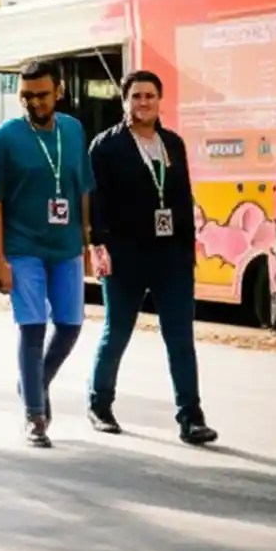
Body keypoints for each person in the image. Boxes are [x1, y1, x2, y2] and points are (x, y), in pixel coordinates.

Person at [86, 70, 218, 445]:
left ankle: (191, 417)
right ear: (124, 101)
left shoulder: (172, 144)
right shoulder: (106, 146)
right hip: (125, 255)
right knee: (118, 331)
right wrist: (99, 246)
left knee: (180, 337)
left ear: (160, 101)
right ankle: (100, 404)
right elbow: (98, 203)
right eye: (136, 96)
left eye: (150, 96)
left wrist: (188, 251)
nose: (143, 102)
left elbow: (181, 197)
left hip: (171, 257)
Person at [0, 60, 93, 448]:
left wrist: (86, 240)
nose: (33, 102)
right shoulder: (4, 137)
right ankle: (35, 415)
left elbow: (82, 188)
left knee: (70, 325)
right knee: (32, 327)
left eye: (42, 94)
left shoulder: (74, 130)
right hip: (22, 246)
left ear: (58, 92)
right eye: (26, 95)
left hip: (65, 247)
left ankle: (34, 380)